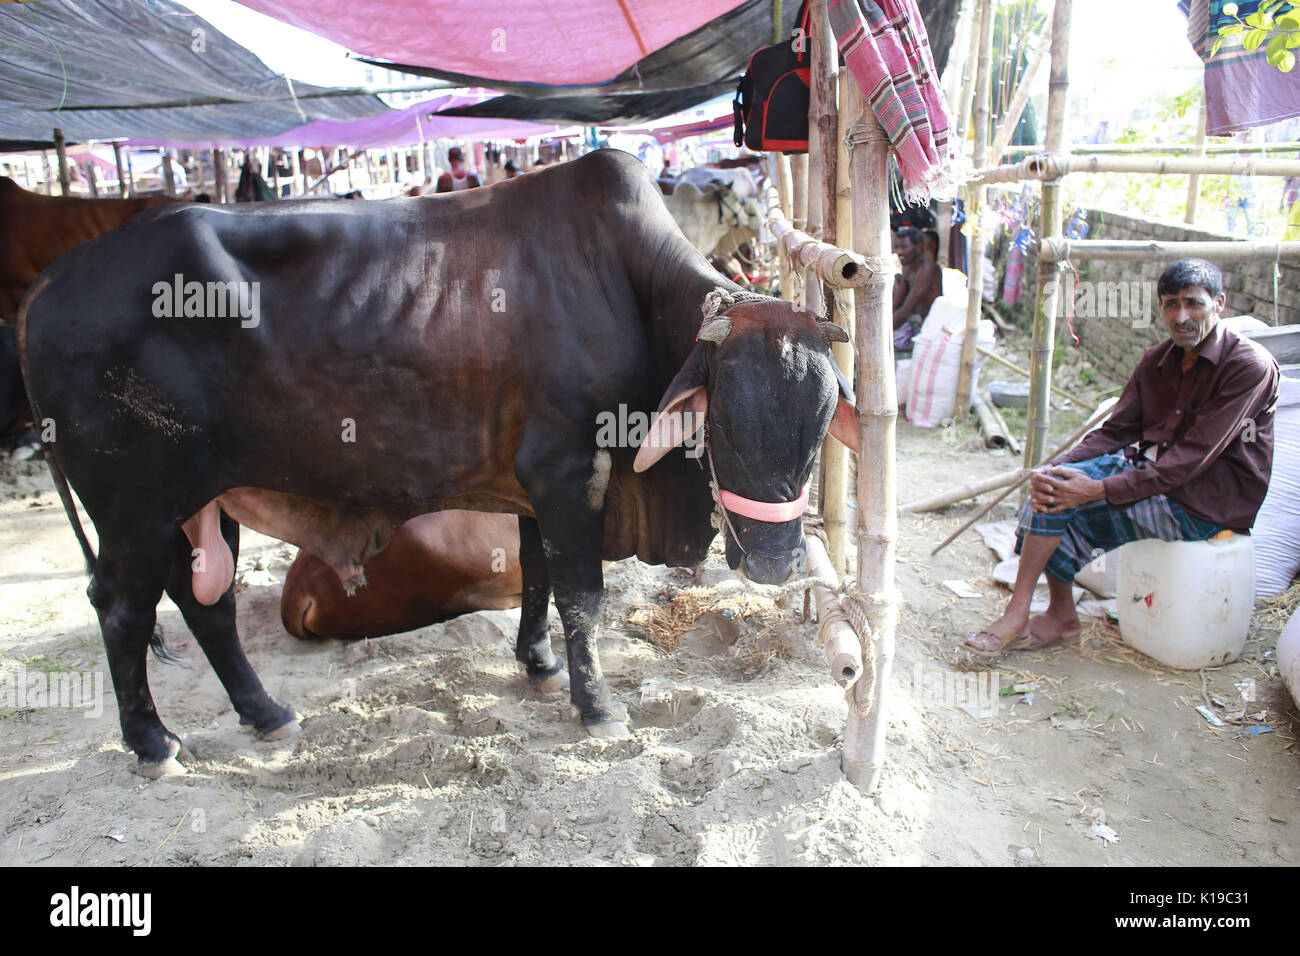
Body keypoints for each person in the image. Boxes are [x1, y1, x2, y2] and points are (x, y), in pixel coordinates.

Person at [964, 259, 1280, 657]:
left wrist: (1099, 489)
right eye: (1170, 304)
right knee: (1053, 489)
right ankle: (1054, 616)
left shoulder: (1247, 366)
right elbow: (1116, 431)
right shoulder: (1157, 360)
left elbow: (1191, 458)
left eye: (1193, 304)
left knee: (1068, 503)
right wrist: (1057, 467)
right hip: (1157, 475)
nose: (1181, 317)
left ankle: (1026, 615)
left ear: (1219, 303)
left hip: (1206, 500)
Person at [892, 226, 941, 351]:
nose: (899, 252)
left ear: (918, 247)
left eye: (904, 247)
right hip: (910, 322)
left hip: (925, 326)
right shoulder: (907, 269)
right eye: (897, 247)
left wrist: (881, 330)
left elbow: (906, 310)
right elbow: (896, 304)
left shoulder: (928, 270)